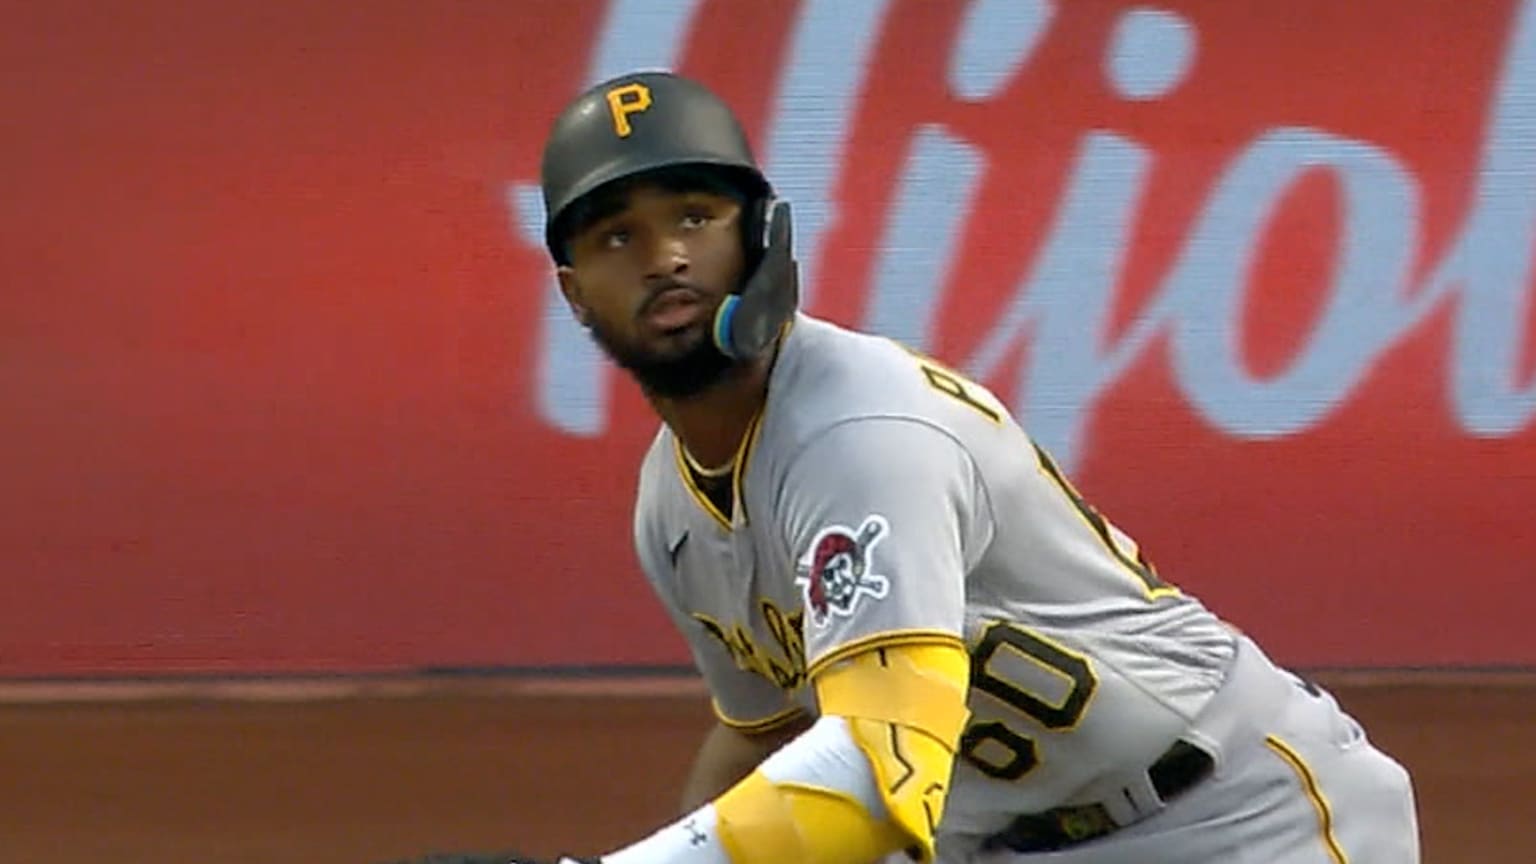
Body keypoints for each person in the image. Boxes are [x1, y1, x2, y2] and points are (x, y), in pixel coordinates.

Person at [388, 70, 1421, 864]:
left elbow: (879, 781)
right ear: (573, 293)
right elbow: (766, 739)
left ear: (760, 232)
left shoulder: (860, 433)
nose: (663, 256)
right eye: (619, 235)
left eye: (695, 217)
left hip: (1236, 819)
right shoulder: (672, 507)